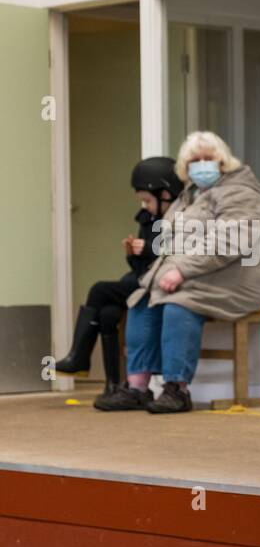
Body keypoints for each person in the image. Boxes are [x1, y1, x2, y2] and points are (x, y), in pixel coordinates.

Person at [95, 130, 260, 414]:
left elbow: (229, 243)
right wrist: (157, 276)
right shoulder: (188, 196)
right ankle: (137, 387)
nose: (202, 164)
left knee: (179, 305)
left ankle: (177, 389)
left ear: (223, 161)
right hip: (199, 275)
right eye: (195, 160)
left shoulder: (242, 194)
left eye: (209, 158)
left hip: (238, 278)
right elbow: (168, 243)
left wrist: (180, 270)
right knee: (142, 299)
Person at [55, 157, 181, 402]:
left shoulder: (180, 218)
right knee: (108, 313)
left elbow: (174, 255)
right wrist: (133, 253)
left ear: (166, 194)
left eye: (147, 200)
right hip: (142, 276)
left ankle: (79, 356)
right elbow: (142, 264)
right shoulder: (148, 218)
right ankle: (113, 385)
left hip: (158, 282)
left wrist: (146, 250)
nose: (144, 206)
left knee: (99, 290)